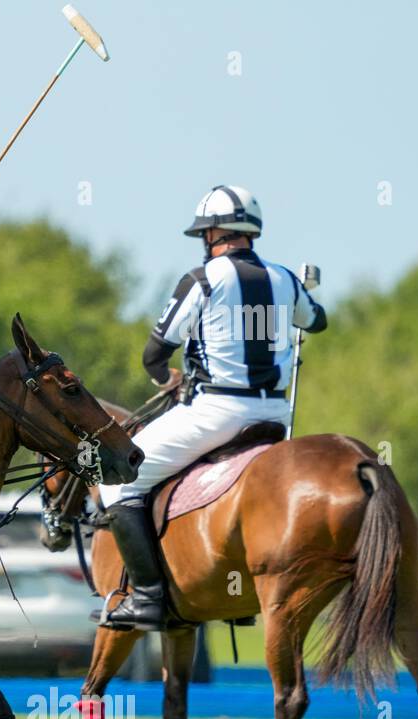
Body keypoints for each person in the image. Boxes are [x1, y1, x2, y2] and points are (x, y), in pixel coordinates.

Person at [97, 185, 328, 629]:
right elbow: (317, 320)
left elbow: (154, 354)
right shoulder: (285, 278)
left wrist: (169, 380)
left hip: (216, 414)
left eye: (205, 233)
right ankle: (236, 596)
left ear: (216, 232)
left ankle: (146, 598)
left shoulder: (202, 279)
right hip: (275, 417)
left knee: (116, 481)